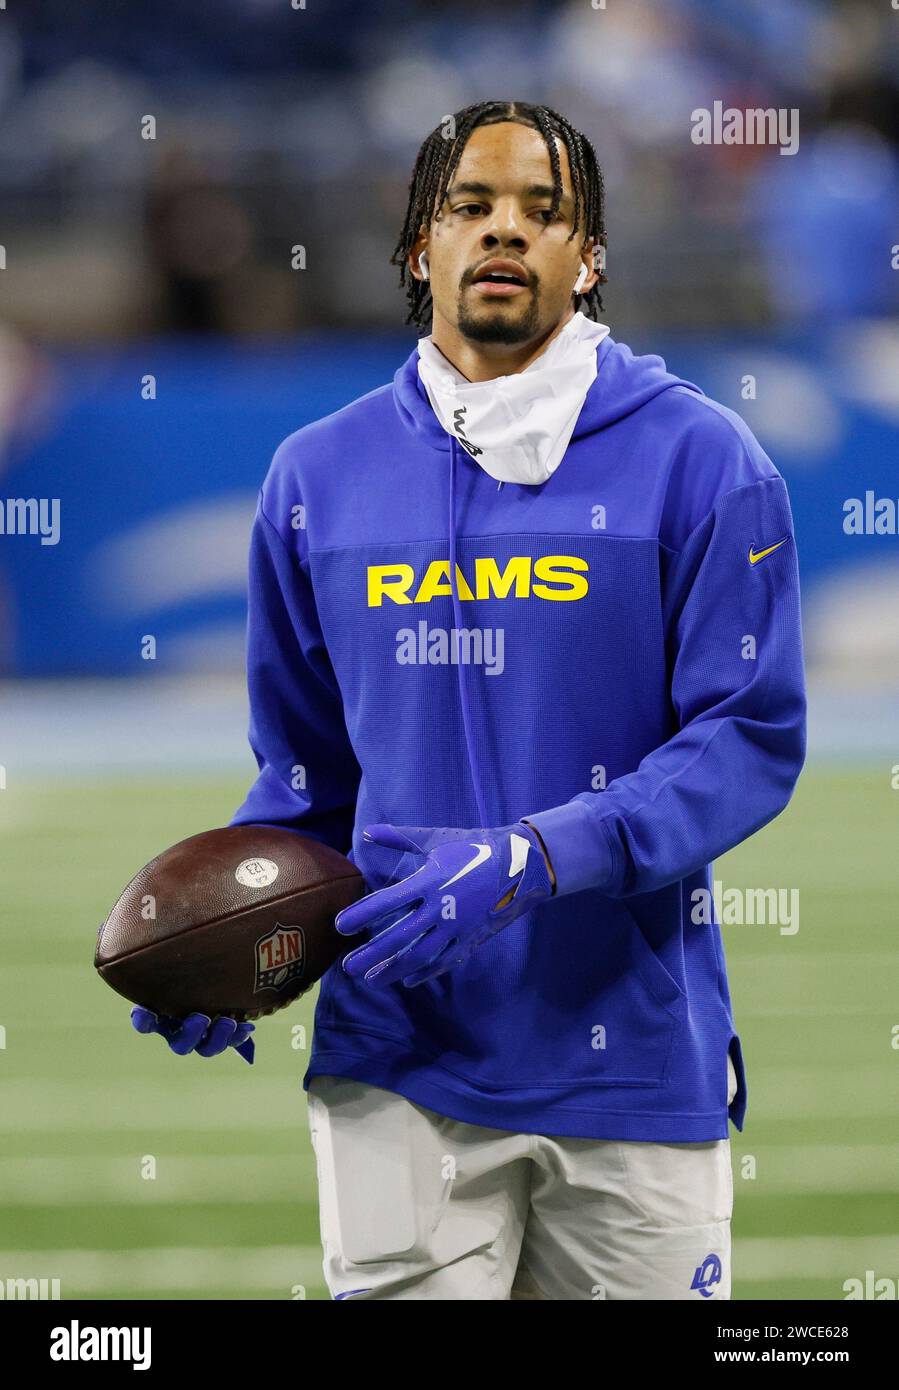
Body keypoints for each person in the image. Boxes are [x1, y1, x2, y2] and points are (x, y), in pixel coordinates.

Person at [135, 100, 807, 1300]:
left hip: (633, 1061)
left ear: (586, 257)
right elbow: (305, 785)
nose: (506, 230)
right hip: (397, 1060)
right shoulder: (315, 478)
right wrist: (232, 941)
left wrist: (536, 856)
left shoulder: (705, 463)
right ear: (417, 247)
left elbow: (744, 741)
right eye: (470, 206)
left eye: (544, 212)